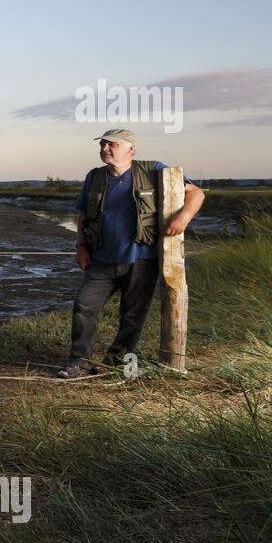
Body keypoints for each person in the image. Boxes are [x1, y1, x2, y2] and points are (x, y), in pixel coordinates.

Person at [57, 128, 205, 378]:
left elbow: (195, 192)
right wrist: (81, 247)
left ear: (130, 148)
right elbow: (83, 214)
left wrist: (183, 217)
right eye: (103, 145)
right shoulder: (95, 176)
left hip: (141, 260)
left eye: (112, 145)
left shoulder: (153, 169)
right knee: (84, 306)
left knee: (132, 315)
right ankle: (78, 363)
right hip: (101, 258)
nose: (105, 149)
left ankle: (114, 363)